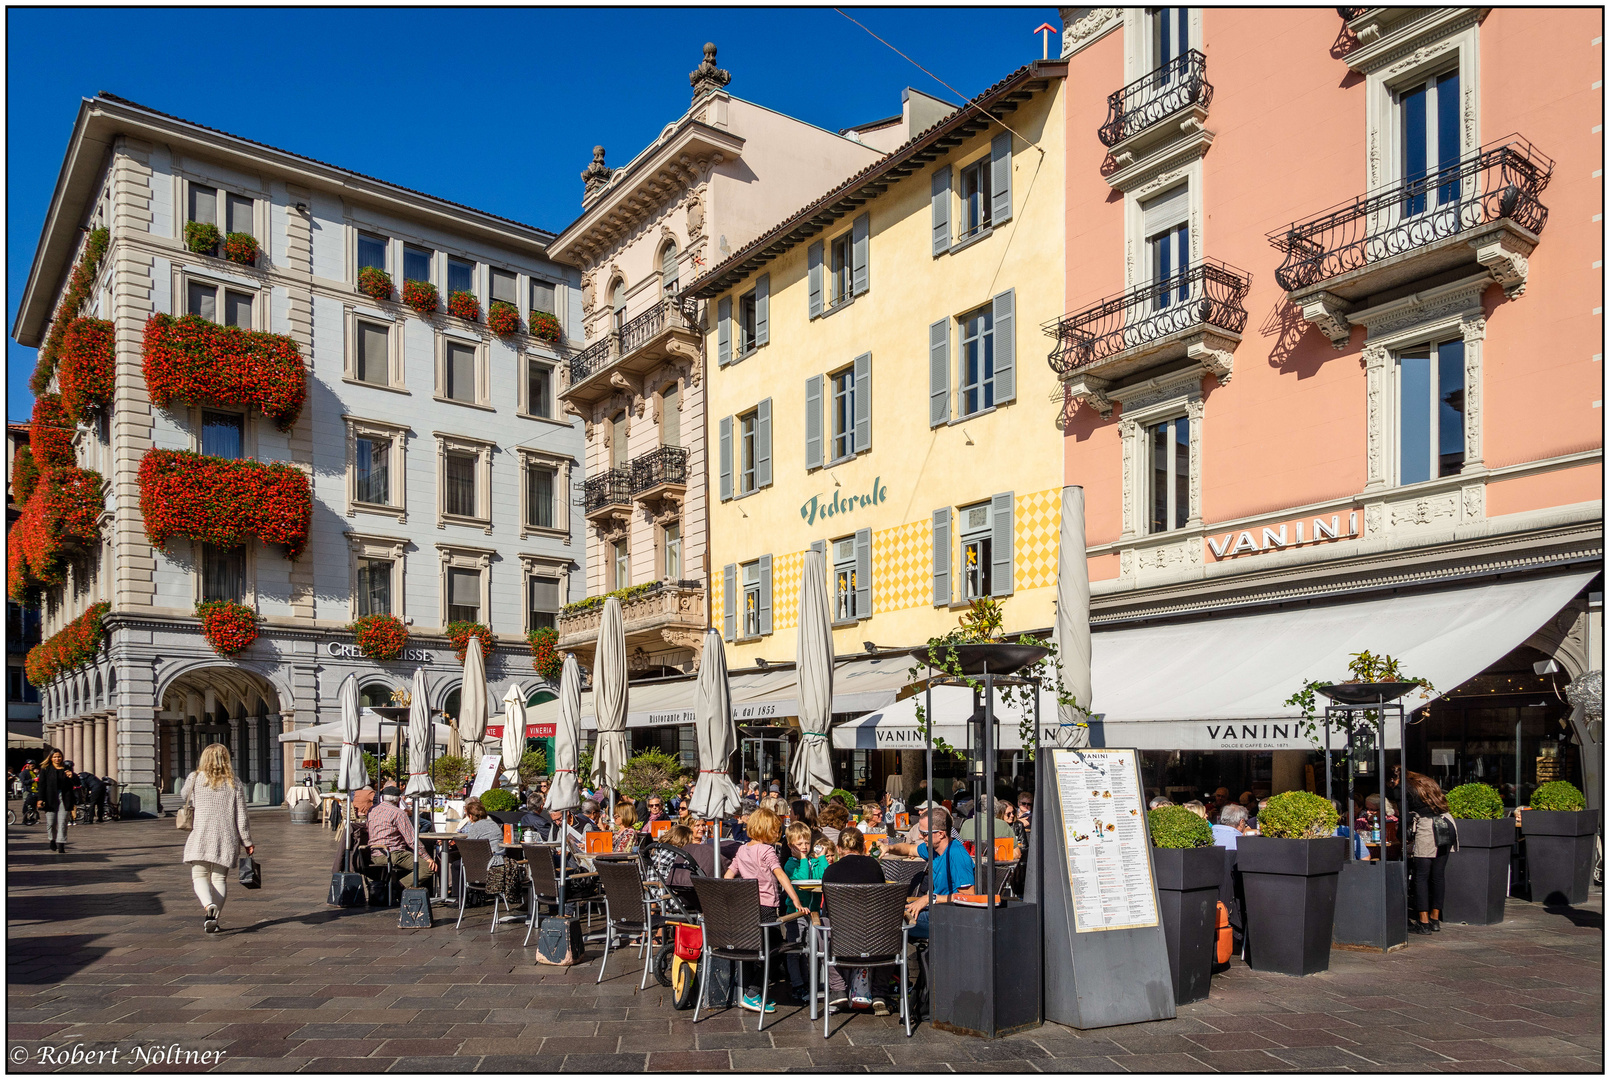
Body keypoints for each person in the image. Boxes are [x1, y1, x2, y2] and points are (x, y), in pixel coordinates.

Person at [723, 806, 807, 1013]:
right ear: (767, 829)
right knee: (775, 950)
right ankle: (752, 993)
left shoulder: (742, 849)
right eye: (776, 830)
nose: (778, 834)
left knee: (757, 950)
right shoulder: (767, 850)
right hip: (767, 907)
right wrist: (796, 899)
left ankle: (755, 993)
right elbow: (780, 875)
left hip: (747, 907)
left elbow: (728, 876)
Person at [819, 827, 898, 1014]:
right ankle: (879, 993)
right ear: (863, 847)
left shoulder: (830, 871)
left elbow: (827, 910)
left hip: (842, 946)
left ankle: (838, 988)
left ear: (838, 849)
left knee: (820, 924)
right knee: (890, 925)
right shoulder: (874, 866)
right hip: (877, 945)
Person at [180, 744, 254, 934]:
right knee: (219, 879)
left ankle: (208, 905)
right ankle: (213, 918)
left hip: (201, 835)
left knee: (198, 876)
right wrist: (247, 841)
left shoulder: (195, 778)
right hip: (226, 837)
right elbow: (242, 816)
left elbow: (183, 796)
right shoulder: (234, 782)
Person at [885, 807, 974, 939]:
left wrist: (929, 898)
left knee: (890, 920)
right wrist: (889, 848)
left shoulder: (956, 855)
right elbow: (909, 849)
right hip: (938, 910)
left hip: (952, 918)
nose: (920, 836)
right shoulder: (933, 848)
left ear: (941, 834)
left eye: (924, 833)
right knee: (887, 913)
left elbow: (970, 897)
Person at [1406, 772, 1457, 934]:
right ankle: (1435, 920)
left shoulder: (1406, 787)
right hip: (1447, 822)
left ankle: (1424, 922)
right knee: (1438, 875)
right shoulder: (1428, 782)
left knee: (1421, 876)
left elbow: (1405, 816)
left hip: (1429, 827)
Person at [368, 785, 436, 888]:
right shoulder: (398, 813)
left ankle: (393, 889)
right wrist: (427, 858)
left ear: (383, 797)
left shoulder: (372, 810)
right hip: (392, 853)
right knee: (427, 868)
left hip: (374, 853)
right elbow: (412, 840)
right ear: (399, 799)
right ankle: (396, 888)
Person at [36, 749, 75, 853]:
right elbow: (42, 785)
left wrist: (72, 776)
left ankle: (61, 844)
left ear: (62, 757)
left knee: (63, 822)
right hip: (50, 797)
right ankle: (52, 839)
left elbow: (76, 782)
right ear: (51, 758)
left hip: (65, 797)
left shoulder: (67, 768)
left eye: (59, 757)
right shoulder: (45, 769)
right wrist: (40, 799)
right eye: (55, 757)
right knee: (51, 822)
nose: (57, 759)